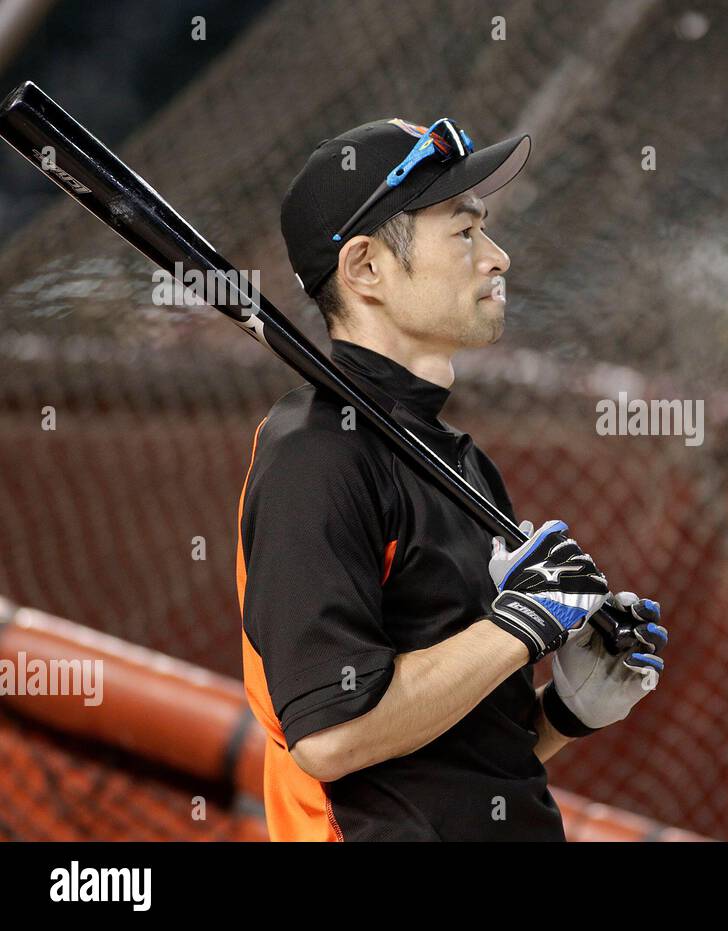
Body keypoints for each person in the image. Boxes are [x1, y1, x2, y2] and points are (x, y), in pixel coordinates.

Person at [236, 115, 666, 841]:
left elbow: (453, 763)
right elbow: (333, 739)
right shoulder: (315, 455)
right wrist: (516, 628)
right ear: (365, 268)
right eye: (464, 233)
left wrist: (563, 712)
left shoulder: (457, 458)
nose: (497, 258)